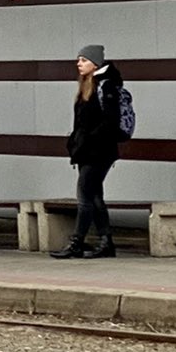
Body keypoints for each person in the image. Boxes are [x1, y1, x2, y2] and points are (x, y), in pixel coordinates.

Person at [52, 44, 127, 260]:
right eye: (78, 59)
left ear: (95, 64)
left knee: (84, 195)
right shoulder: (88, 84)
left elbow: (110, 121)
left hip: (98, 152)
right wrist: (75, 142)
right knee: (94, 197)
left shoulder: (106, 85)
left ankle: (77, 242)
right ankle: (106, 242)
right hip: (86, 151)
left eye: (84, 60)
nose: (79, 63)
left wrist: (88, 140)